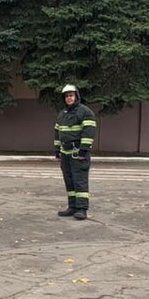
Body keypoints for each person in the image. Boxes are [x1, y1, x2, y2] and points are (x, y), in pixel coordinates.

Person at [54, 83, 97, 220]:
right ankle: (72, 207)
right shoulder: (62, 114)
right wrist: (57, 151)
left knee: (80, 181)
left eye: (71, 95)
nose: (69, 98)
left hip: (78, 152)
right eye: (66, 96)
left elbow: (88, 133)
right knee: (69, 181)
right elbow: (57, 132)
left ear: (76, 96)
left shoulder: (85, 112)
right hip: (65, 153)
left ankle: (82, 209)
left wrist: (83, 151)